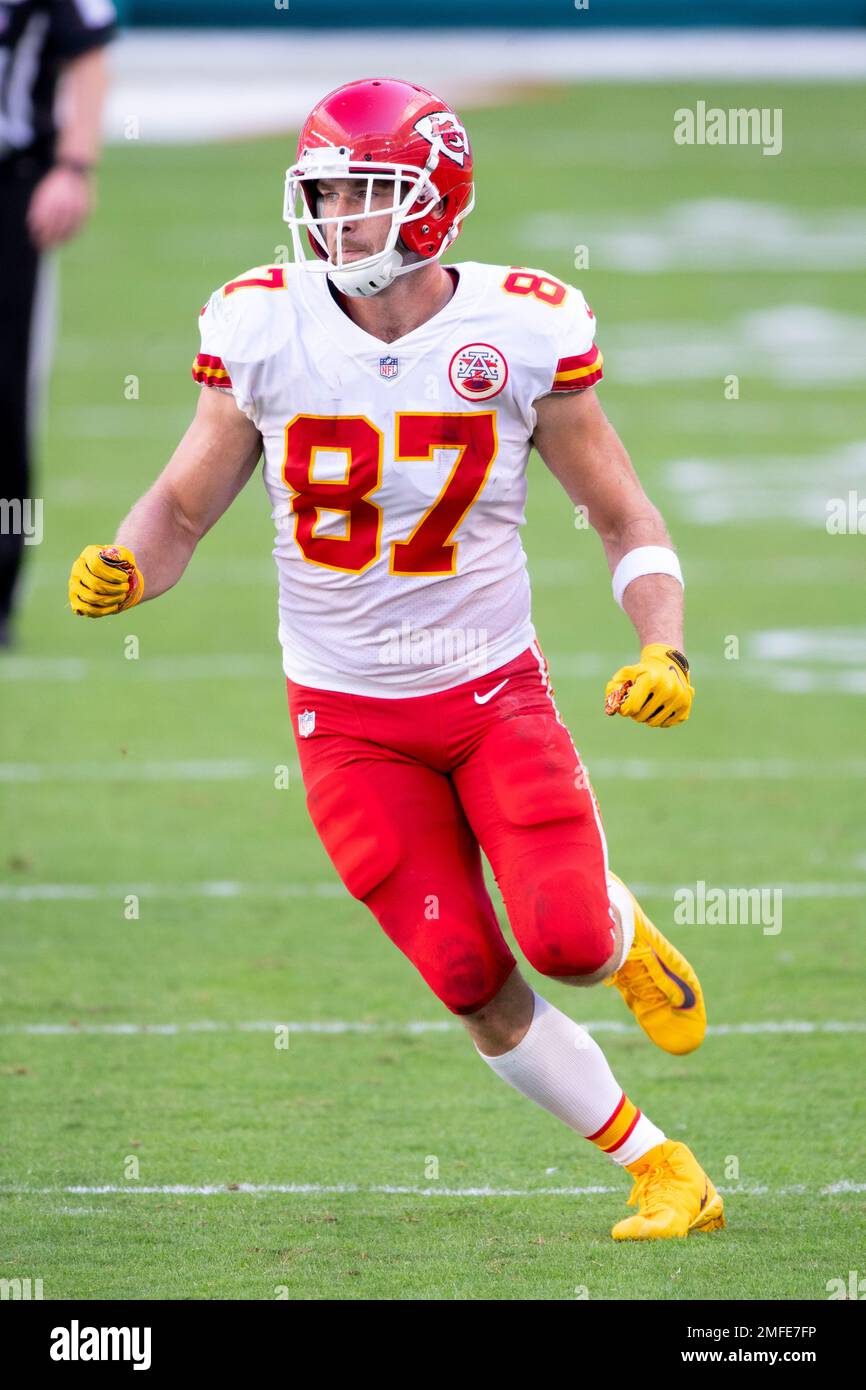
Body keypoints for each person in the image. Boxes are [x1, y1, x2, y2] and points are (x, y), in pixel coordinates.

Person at [68, 78, 725, 1241]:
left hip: (491, 694)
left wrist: (662, 645)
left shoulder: (520, 328)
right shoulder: (262, 323)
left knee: (567, 942)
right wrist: (127, 565)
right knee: (466, 972)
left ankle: (614, 928)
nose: (336, 217)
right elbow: (176, 510)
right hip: (346, 721)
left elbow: (623, 515)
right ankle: (660, 1165)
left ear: (434, 202)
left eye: (363, 192)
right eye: (322, 193)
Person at [0, 0, 116, 647]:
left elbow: (88, 52)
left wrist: (74, 166)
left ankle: (1, 589)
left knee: (6, 397)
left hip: (12, 183)